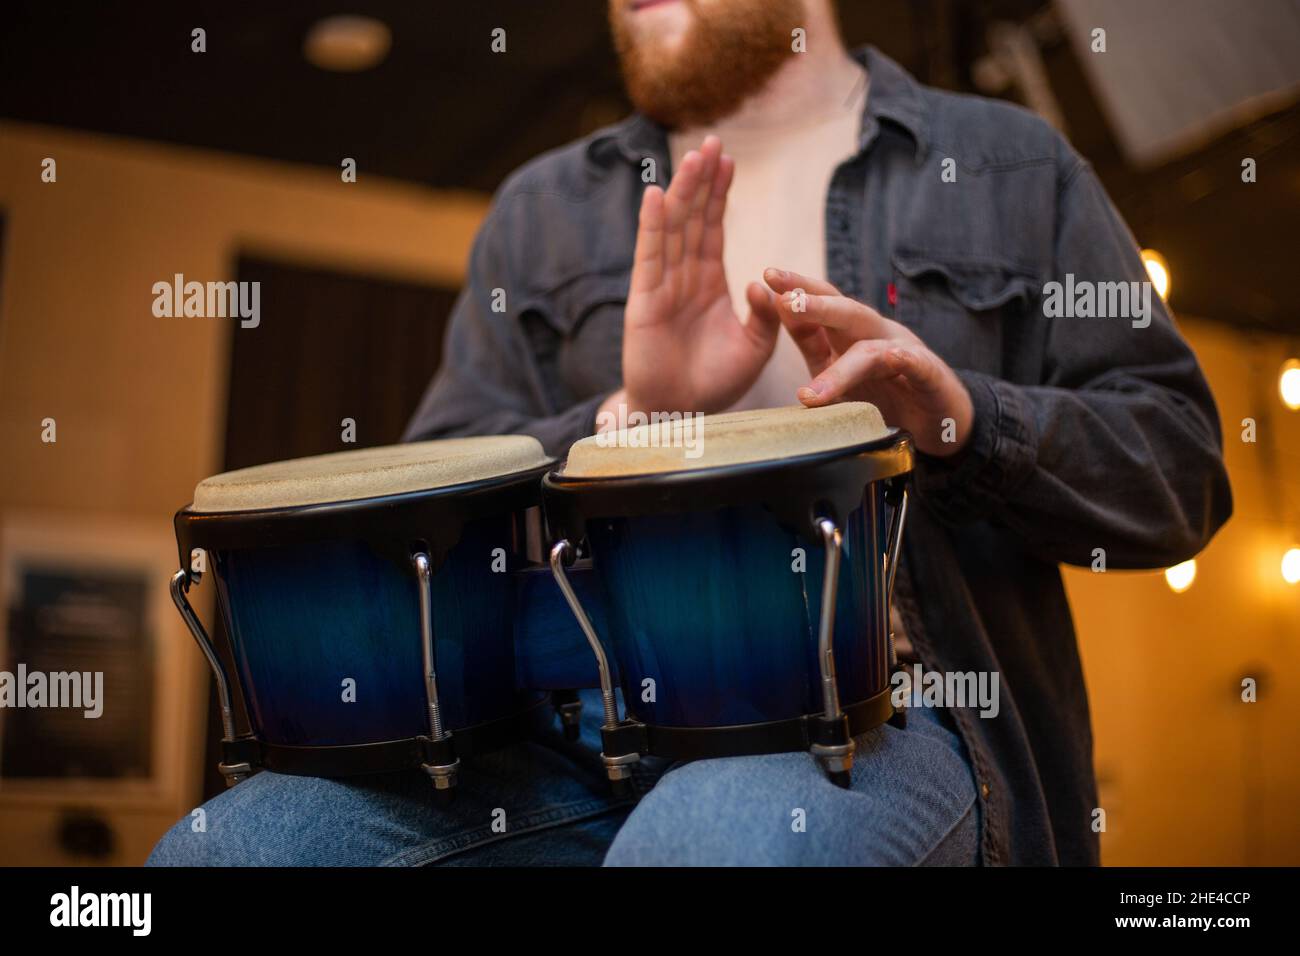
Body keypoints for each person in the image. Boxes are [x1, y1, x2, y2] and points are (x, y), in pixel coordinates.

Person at [149, 0, 1231, 866]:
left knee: (710, 837)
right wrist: (635, 420)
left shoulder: (1010, 163)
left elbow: (1179, 465)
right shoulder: (537, 210)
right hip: (563, 741)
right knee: (228, 849)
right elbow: (436, 516)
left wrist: (957, 414)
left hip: (890, 721)